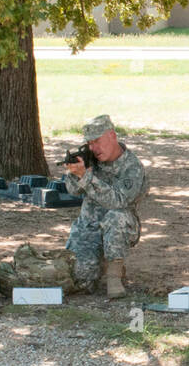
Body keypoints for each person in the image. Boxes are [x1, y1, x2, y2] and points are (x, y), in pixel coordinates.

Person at [63, 114, 148, 299]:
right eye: (90, 143)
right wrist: (76, 173)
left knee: (116, 216)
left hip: (120, 226)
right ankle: (100, 262)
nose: (94, 148)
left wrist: (86, 177)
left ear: (112, 136)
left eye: (97, 141)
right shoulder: (92, 159)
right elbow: (72, 191)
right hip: (89, 227)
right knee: (80, 280)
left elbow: (118, 200)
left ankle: (114, 273)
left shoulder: (132, 167)